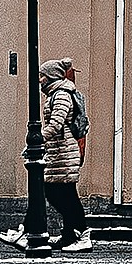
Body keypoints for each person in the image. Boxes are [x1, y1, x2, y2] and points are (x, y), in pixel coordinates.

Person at [39, 56, 91, 252]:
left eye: (42, 76)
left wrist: (39, 138)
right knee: (61, 194)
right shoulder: (55, 93)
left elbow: (56, 122)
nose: (40, 80)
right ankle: (70, 234)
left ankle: (82, 234)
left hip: (64, 152)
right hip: (59, 152)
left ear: (51, 76)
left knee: (62, 194)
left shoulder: (61, 94)